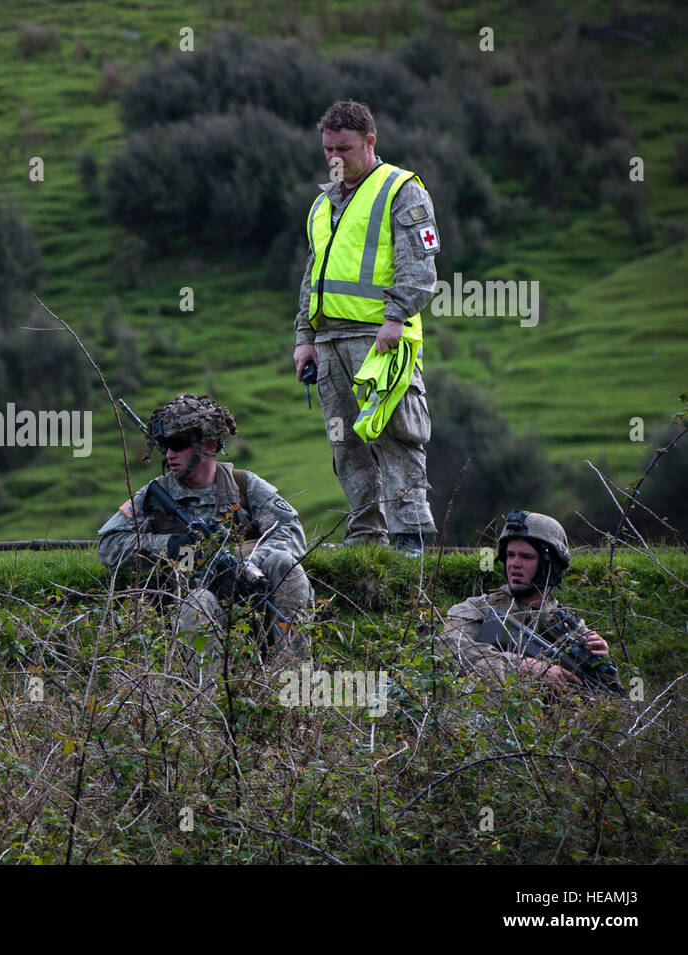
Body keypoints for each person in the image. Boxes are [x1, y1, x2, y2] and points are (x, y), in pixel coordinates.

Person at [292, 99, 440, 556]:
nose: (335, 158)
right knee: (346, 445)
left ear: (370, 142)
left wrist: (395, 318)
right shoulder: (322, 204)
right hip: (330, 342)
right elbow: (312, 276)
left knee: (396, 435)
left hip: (380, 338)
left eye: (345, 149)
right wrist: (305, 338)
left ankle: (411, 542)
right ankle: (365, 541)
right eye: (328, 150)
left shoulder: (401, 189)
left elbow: (420, 267)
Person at [97, 394, 313, 679]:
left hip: (252, 602)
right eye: (164, 446)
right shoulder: (155, 495)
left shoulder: (243, 485)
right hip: (190, 604)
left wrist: (245, 563)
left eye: (178, 445)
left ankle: (295, 682)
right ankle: (207, 707)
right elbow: (109, 544)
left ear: (209, 445)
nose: (169, 455)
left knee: (286, 565)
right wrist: (169, 546)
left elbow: (291, 531)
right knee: (199, 601)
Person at [438, 510, 618, 691]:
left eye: (526, 557)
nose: (514, 563)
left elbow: (610, 692)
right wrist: (523, 666)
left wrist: (602, 661)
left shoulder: (570, 628)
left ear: (550, 566)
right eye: (510, 555)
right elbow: (448, 649)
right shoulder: (478, 609)